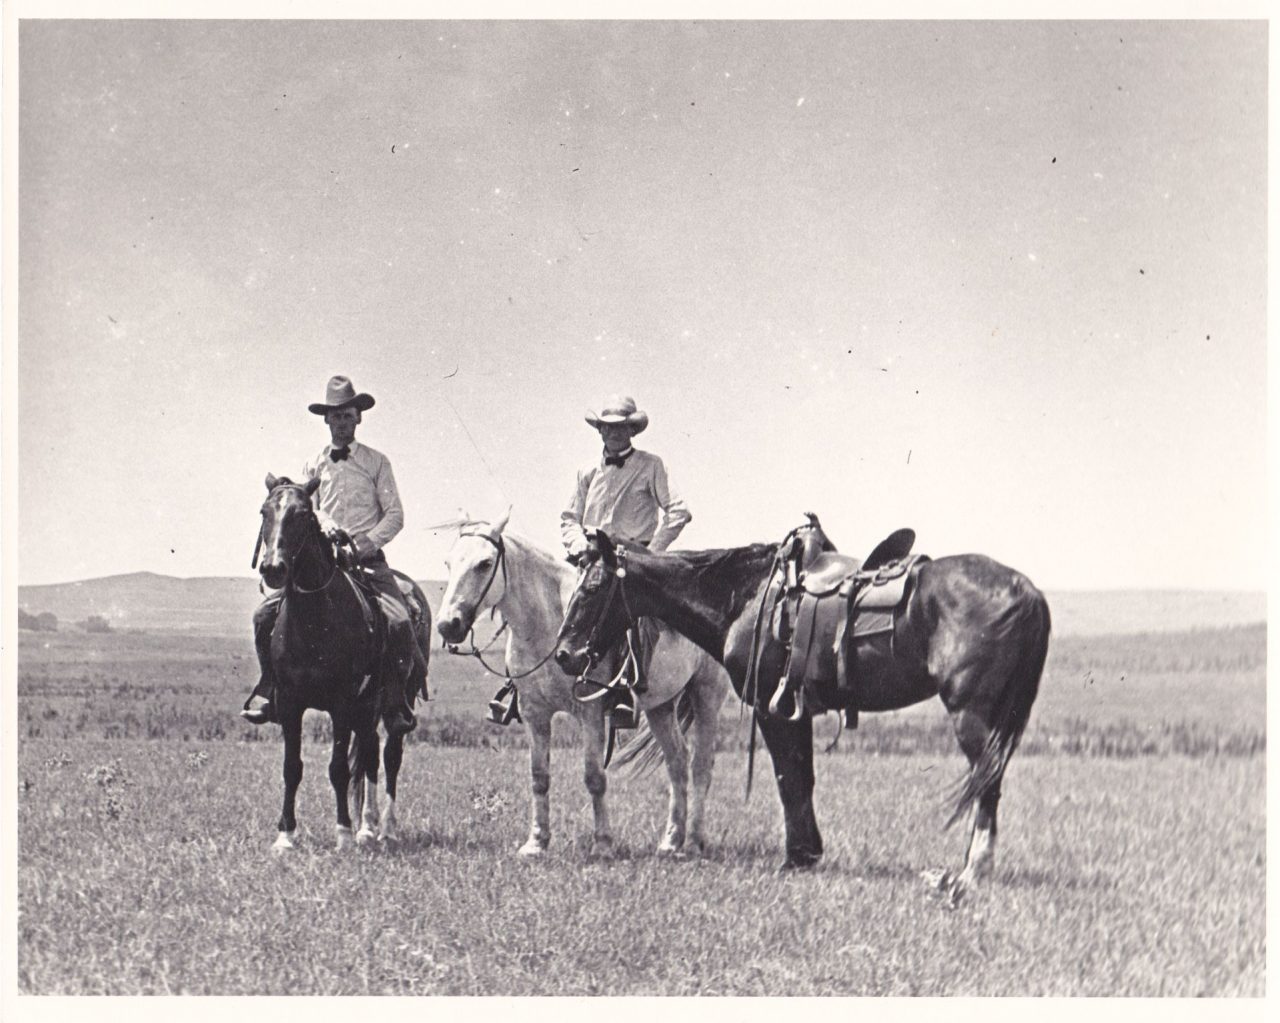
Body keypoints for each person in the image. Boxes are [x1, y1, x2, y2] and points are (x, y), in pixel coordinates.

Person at [242, 375, 420, 735]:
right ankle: (271, 690)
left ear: (358, 418)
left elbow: (395, 515)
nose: (341, 423)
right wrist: (326, 527)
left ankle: (395, 700)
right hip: (323, 561)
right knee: (264, 616)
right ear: (326, 420)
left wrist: (363, 544)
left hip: (366, 562)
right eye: (335, 417)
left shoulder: (376, 462)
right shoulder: (313, 465)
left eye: (348, 415)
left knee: (400, 621)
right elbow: (310, 508)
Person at [559, 394, 692, 725]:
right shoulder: (586, 471)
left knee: (636, 617)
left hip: (633, 558)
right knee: (551, 601)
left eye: (622, 428)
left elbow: (679, 512)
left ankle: (626, 690)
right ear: (600, 431)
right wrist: (577, 546)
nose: (614, 433)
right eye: (608, 427)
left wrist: (651, 554)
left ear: (633, 431)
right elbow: (568, 517)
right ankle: (523, 687)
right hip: (589, 555)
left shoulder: (651, 465)